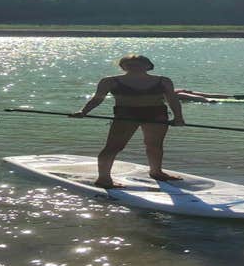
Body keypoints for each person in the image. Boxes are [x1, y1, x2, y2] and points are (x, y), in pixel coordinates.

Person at [71, 54, 185, 188]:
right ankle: (103, 179)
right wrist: (83, 112)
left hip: (156, 115)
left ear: (148, 66)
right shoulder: (109, 81)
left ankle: (156, 172)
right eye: (129, 64)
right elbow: (97, 99)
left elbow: (172, 99)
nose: (134, 66)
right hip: (125, 116)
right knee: (114, 147)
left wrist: (178, 117)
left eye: (139, 63)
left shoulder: (164, 81)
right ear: (122, 66)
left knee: (154, 146)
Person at [175, 89, 244, 102]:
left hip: (173, 93)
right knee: (207, 94)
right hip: (176, 90)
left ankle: (207, 101)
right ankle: (232, 96)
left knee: (184, 96)